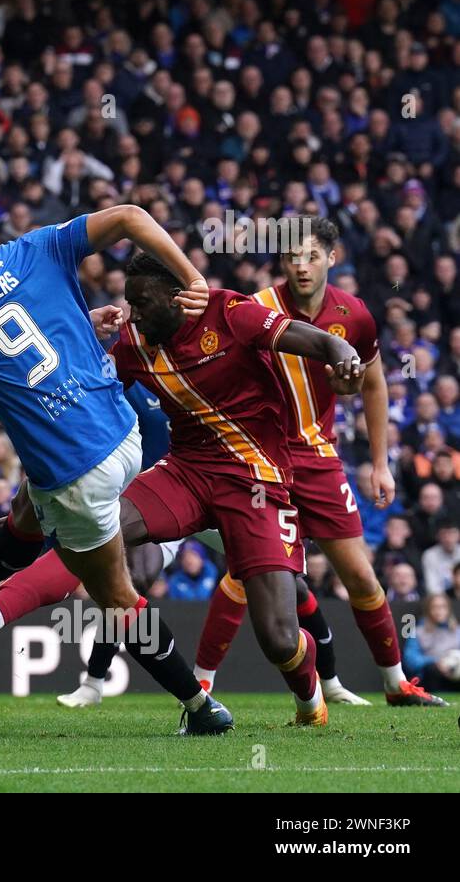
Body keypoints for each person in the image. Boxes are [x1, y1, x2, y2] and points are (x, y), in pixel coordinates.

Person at [0, 252, 371, 726]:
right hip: (185, 473)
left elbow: (316, 341)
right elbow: (84, 389)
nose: (133, 313)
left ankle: (311, 698)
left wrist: (347, 361)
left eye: (142, 302)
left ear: (177, 298)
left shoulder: (229, 311)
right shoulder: (133, 342)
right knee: (88, 531)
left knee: (277, 638)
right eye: (129, 302)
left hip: (256, 482)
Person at [0, 200, 239, 734]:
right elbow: (131, 216)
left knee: (115, 597)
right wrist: (195, 279)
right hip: (124, 433)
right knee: (31, 503)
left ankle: (200, 707)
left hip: (77, 470)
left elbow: (6, 345)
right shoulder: (37, 247)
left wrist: (68, 324)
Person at [183, 217, 445, 706]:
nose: (301, 267)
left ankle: (396, 683)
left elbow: (373, 383)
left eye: (311, 256)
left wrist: (381, 462)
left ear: (332, 257)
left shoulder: (356, 315)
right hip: (259, 462)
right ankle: (200, 684)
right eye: (291, 258)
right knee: (244, 572)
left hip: (319, 459)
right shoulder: (255, 309)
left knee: (361, 575)